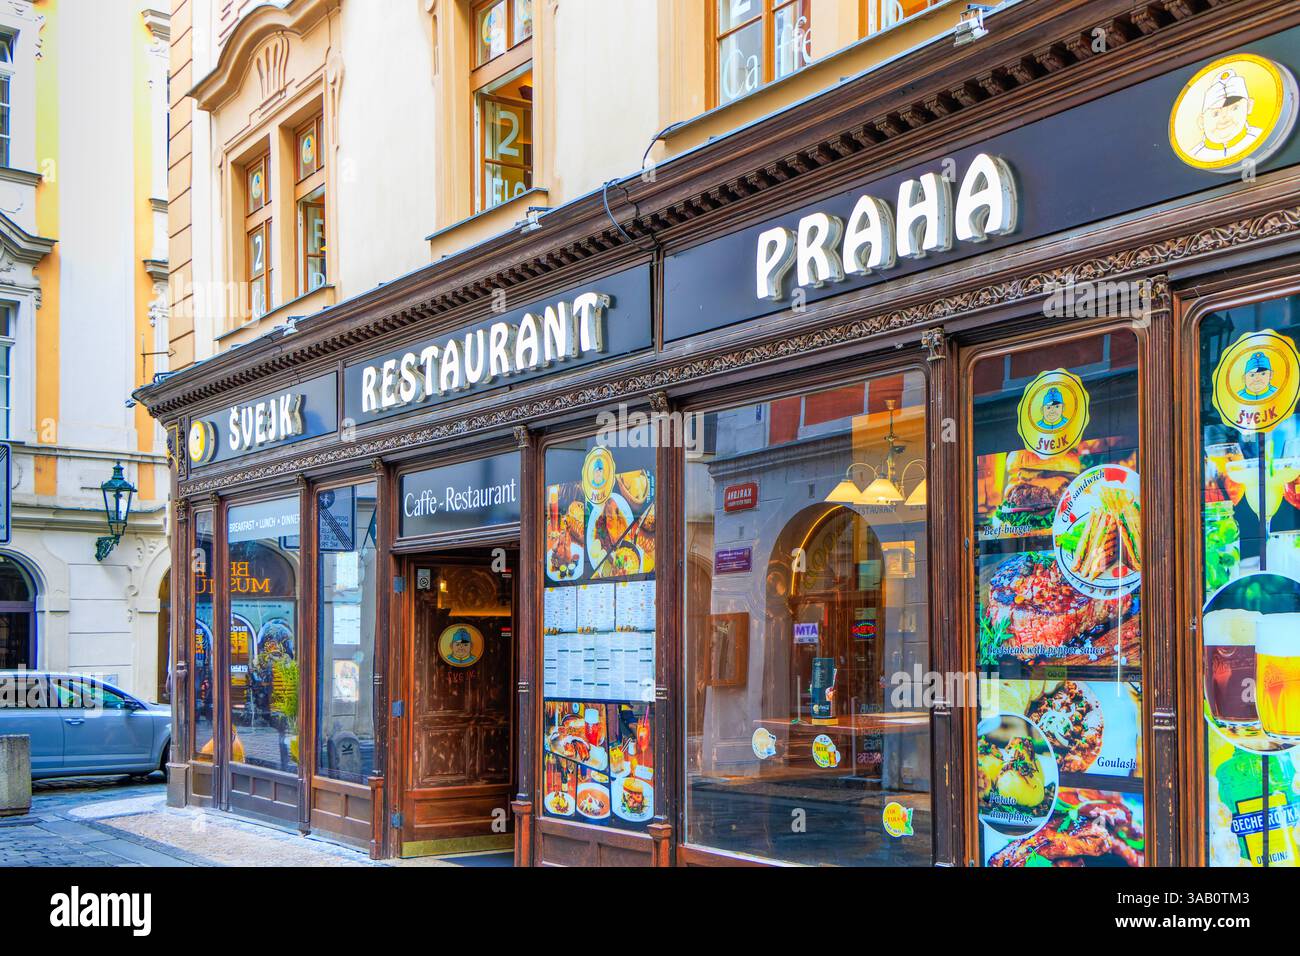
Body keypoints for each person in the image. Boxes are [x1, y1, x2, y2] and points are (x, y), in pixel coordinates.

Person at [1190, 68, 1262, 163]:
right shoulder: (1195, 156)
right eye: (1216, 113)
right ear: (1202, 121)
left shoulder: (1259, 138)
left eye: (1234, 108)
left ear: (1249, 106)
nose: (1225, 117)